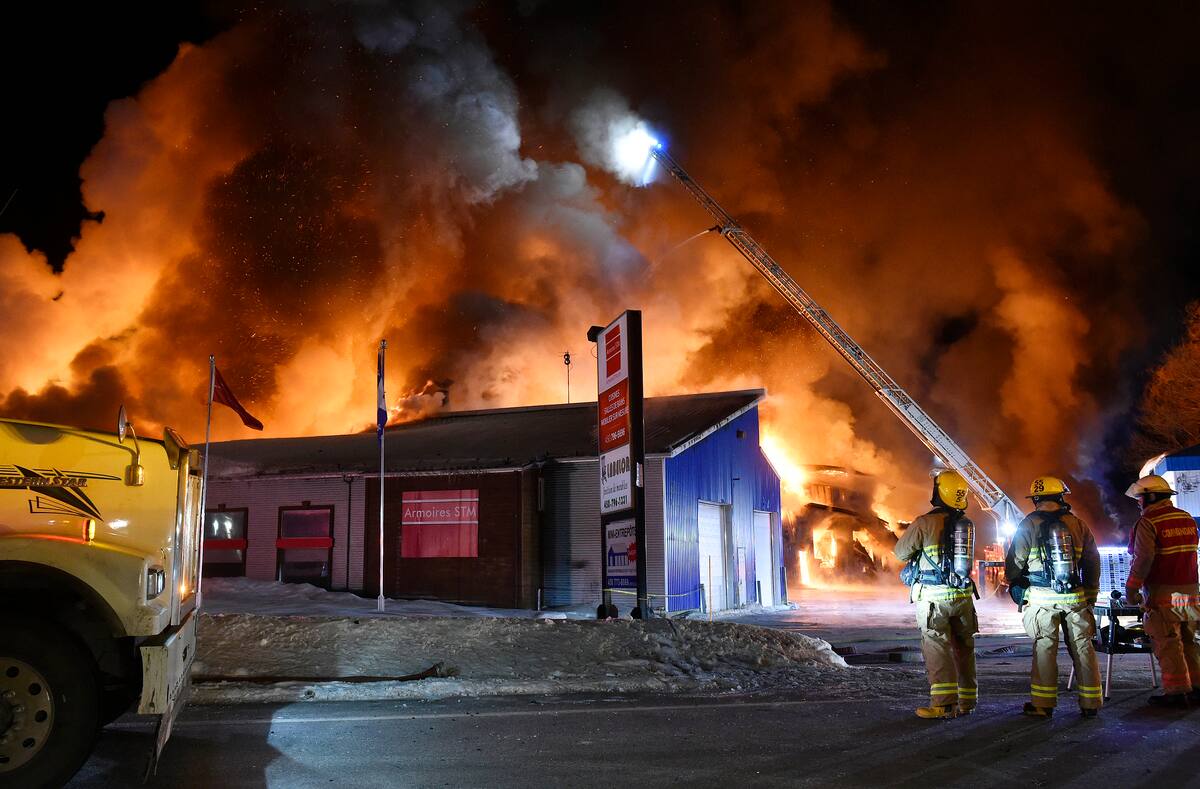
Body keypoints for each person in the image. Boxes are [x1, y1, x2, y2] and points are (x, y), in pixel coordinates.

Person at [1005, 476, 1102, 718]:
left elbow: (1014, 565)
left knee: (1045, 648)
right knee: (1083, 647)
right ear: (1061, 497)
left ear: (1036, 499)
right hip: (1075, 597)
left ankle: (1043, 704)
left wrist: (1017, 584)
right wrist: (1090, 595)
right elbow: (1092, 562)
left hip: (1041, 600)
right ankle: (1092, 703)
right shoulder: (1078, 524)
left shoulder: (1028, 525)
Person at [894, 470, 978, 719]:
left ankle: (943, 705)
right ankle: (967, 702)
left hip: (934, 599)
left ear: (938, 492)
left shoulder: (925, 522)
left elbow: (900, 553)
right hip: (963, 597)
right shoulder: (967, 524)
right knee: (964, 648)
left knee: (937, 648)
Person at [1125, 474, 1200, 708]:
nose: (1139, 503)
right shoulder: (1186, 518)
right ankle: (1197, 688)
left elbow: (1143, 557)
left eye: (1140, 498)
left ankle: (1176, 693)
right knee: (1189, 641)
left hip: (1163, 592)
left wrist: (1132, 587)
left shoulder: (1149, 522)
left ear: (1151, 497)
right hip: (1189, 592)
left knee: (1167, 642)